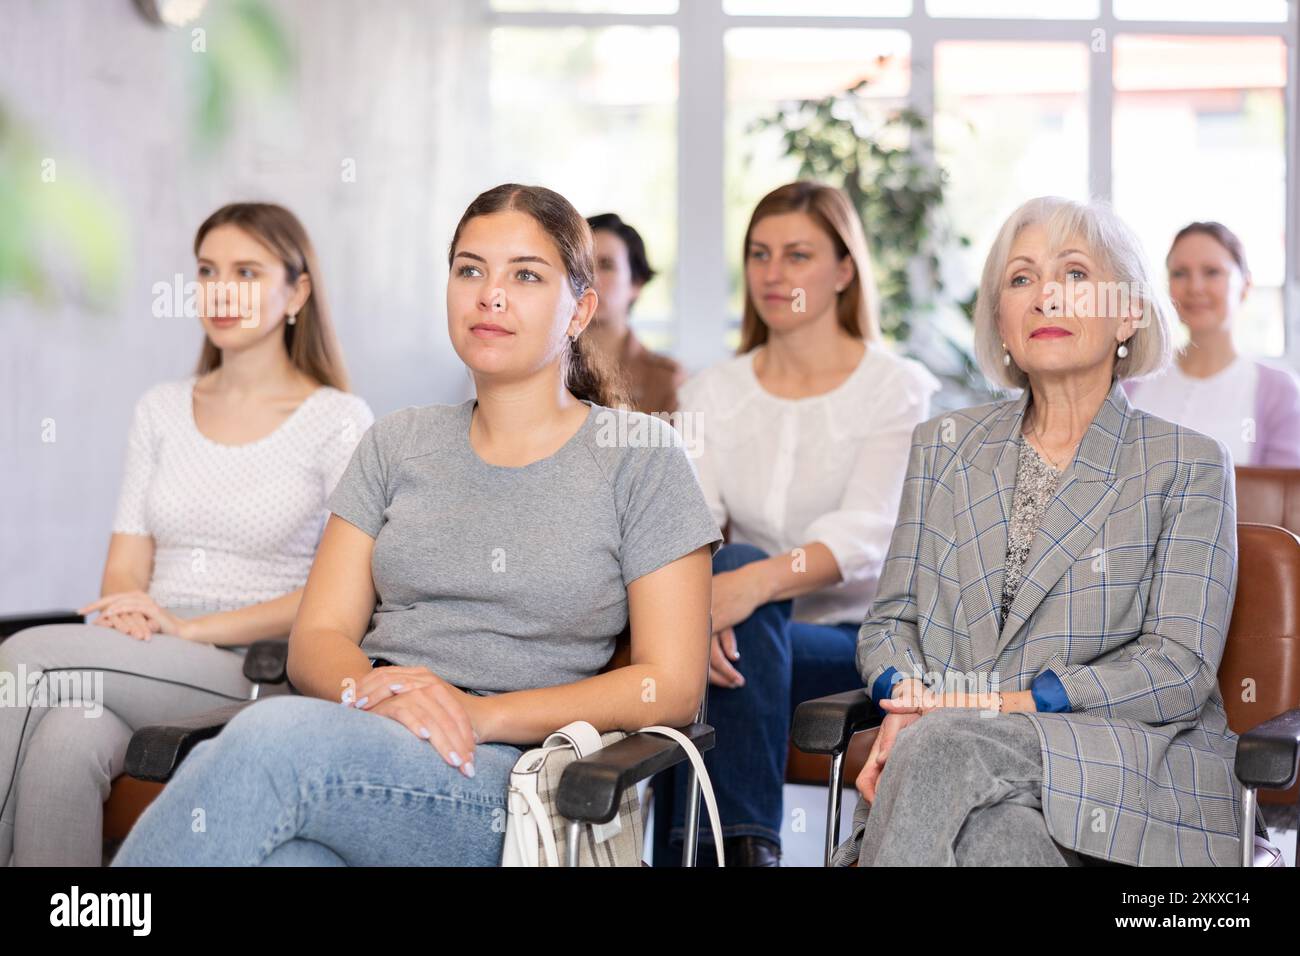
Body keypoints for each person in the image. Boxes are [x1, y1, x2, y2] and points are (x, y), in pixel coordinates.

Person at [111, 184, 723, 867]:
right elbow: (317, 637)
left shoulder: (642, 458)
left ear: (579, 309)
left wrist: (479, 713)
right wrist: (383, 695)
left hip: (505, 779)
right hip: (364, 738)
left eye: (525, 275)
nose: (489, 295)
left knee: (267, 742)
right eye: (470, 269)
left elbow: (670, 685)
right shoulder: (395, 442)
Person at [832, 196, 1266, 867]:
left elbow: (1176, 669)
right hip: (955, 780)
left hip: (1124, 770)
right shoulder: (943, 447)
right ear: (1002, 325)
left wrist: (1001, 706)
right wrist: (908, 700)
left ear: (1128, 312)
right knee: (996, 838)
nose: (1046, 298)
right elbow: (890, 621)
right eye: (1022, 279)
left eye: (1074, 275)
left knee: (950, 746)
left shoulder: (1189, 462)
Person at [0, 202, 373, 866]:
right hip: (145, 651)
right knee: (61, 743)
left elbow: (338, 594)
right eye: (207, 270)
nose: (221, 290)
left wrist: (190, 628)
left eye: (248, 271)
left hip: (253, 665)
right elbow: (123, 568)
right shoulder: (161, 408)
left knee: (24, 659)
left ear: (298, 291)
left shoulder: (338, 420)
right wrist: (134, 612)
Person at [651, 181, 939, 866]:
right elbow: (688, 526)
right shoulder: (711, 392)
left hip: (859, 646)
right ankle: (749, 852)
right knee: (728, 579)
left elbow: (867, 536)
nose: (773, 274)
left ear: (844, 270)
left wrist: (750, 587)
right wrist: (724, 597)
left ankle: (707, 852)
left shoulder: (897, 388)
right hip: (735, 635)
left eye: (797, 255)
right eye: (759, 254)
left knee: (733, 592)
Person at [1124, 221, 1300, 466]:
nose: (1195, 287)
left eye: (1212, 272)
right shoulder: (1133, 380)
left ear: (1246, 285)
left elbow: (1284, 497)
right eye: (1180, 273)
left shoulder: (1278, 392)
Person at [585, 212, 685, 414]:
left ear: (636, 284)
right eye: (583, 264)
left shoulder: (665, 380)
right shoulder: (543, 370)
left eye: (606, 265)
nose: (591, 278)